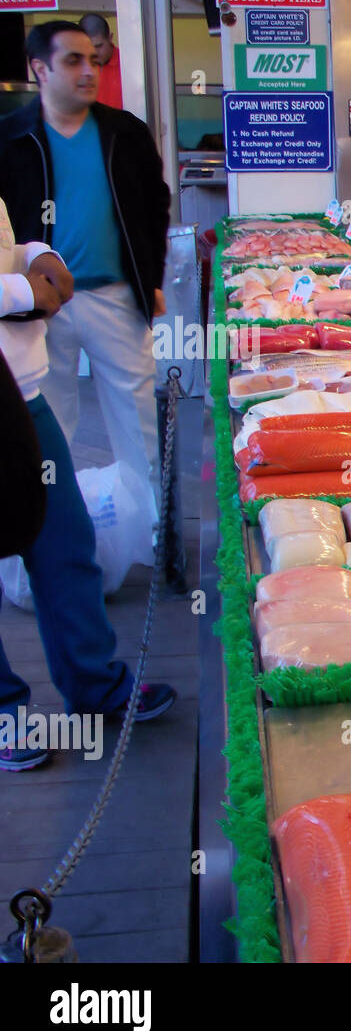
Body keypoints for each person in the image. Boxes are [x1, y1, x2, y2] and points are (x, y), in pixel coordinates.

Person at [0, 194, 174, 772]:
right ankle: (6, 713)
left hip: (23, 393)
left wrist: (41, 253)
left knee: (65, 542)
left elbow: (9, 251)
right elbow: (19, 283)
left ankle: (95, 683)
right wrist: (30, 292)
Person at [0, 20, 170, 499]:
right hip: (37, 308)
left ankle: (152, 544)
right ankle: (53, 537)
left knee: (137, 424)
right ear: (39, 69)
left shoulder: (126, 134)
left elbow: (155, 207)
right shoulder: (10, 139)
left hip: (115, 295)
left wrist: (150, 278)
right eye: (73, 60)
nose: (88, 71)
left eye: (94, 59)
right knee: (46, 428)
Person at [79, 14, 122, 110]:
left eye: (99, 46)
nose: (95, 52)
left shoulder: (127, 63)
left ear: (110, 38)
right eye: (88, 47)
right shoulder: (78, 68)